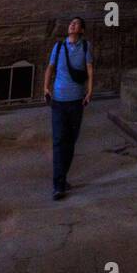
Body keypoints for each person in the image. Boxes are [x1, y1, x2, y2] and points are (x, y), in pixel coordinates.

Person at [44, 17, 94, 200]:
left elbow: (89, 68)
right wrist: (45, 87)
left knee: (70, 141)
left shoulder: (86, 47)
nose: (72, 25)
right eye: (71, 23)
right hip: (59, 99)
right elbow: (50, 67)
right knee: (59, 141)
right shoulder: (58, 47)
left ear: (81, 30)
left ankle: (62, 177)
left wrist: (90, 90)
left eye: (76, 24)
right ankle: (58, 185)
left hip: (76, 100)